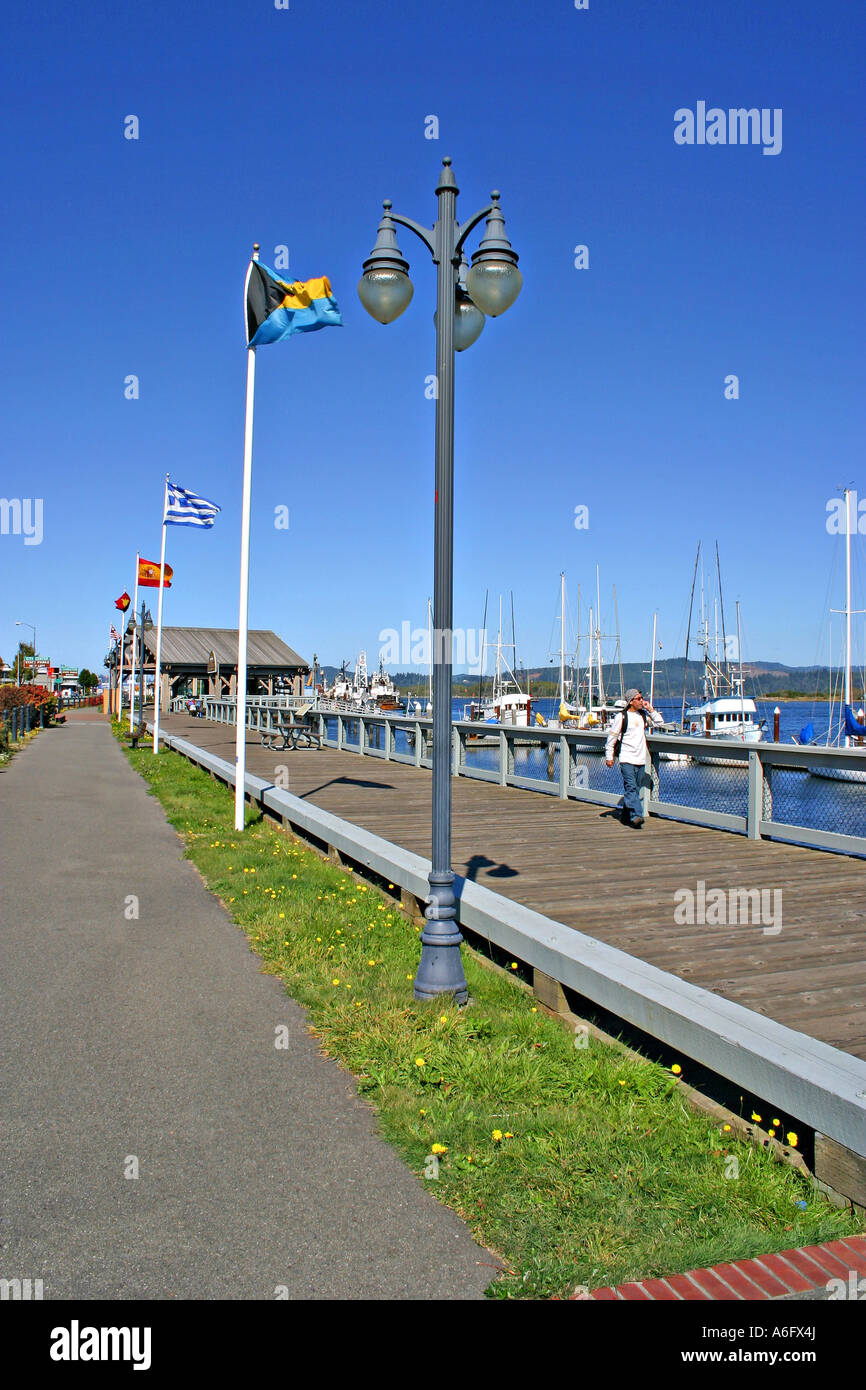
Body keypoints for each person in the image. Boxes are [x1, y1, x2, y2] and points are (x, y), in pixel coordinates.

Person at [605, 688, 663, 828]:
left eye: (642, 698)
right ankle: (637, 815)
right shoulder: (622, 717)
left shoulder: (643, 716)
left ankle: (626, 816)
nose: (642, 701)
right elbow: (612, 737)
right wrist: (609, 756)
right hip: (626, 758)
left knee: (635, 789)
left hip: (640, 758)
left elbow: (659, 723)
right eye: (639, 699)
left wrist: (651, 709)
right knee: (631, 787)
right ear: (631, 701)